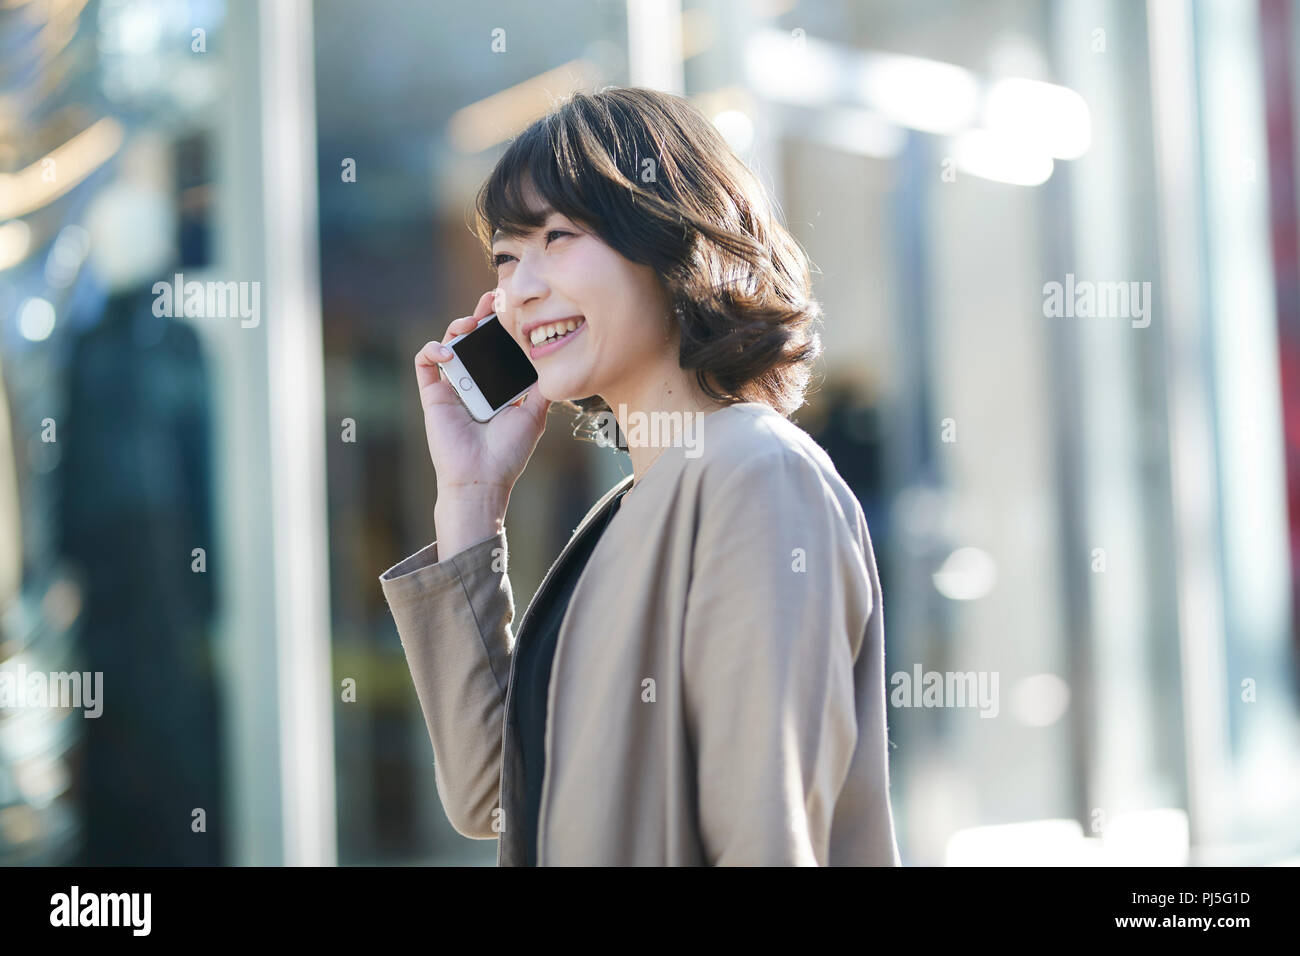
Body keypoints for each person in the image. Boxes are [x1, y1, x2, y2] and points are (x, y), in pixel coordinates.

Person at [379, 87, 900, 866]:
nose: (519, 289)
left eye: (558, 237)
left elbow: (764, 839)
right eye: (508, 256)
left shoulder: (756, 475)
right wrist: (471, 497)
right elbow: (493, 793)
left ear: (671, 241)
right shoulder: (628, 512)